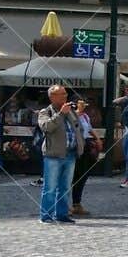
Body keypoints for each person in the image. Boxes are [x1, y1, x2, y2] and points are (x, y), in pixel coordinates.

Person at [35, 84, 84, 224]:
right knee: (50, 187)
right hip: (53, 155)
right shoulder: (45, 112)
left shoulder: (71, 111)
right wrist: (61, 114)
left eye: (65, 94)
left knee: (65, 187)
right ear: (52, 97)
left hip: (70, 154)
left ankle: (62, 214)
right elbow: (47, 127)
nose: (65, 96)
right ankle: (46, 215)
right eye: (61, 94)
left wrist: (80, 144)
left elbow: (78, 128)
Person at [70, 97, 100, 215]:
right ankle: (66, 204)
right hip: (77, 147)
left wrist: (97, 139)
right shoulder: (72, 116)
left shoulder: (86, 116)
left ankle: (77, 203)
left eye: (84, 104)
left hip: (86, 146)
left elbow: (89, 129)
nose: (83, 106)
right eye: (81, 104)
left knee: (83, 175)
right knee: (74, 175)